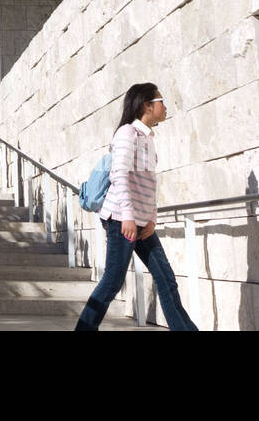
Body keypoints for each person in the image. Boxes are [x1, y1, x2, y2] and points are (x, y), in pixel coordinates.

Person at [74, 83, 198, 331]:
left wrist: (151, 218)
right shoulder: (126, 134)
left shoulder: (148, 139)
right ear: (146, 105)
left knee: (166, 279)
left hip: (141, 222)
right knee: (112, 281)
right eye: (161, 101)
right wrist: (129, 217)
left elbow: (148, 183)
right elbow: (120, 175)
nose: (166, 106)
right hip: (121, 218)